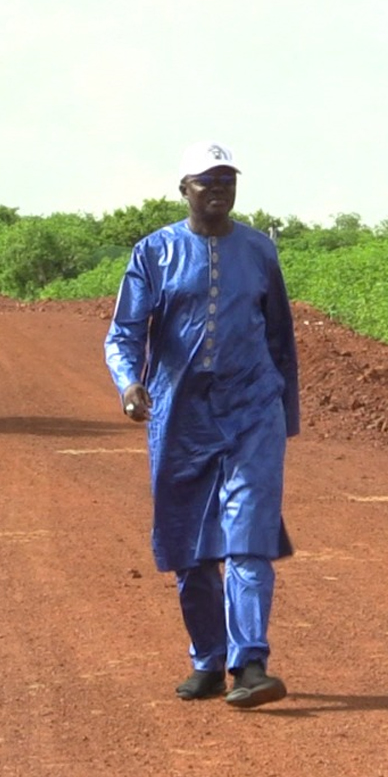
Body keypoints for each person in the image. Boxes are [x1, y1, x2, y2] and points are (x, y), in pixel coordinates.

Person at [103, 141, 300, 709]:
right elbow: (124, 333)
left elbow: (280, 338)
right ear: (183, 189)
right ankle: (208, 661)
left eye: (226, 180)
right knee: (190, 543)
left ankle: (251, 663)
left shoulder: (261, 252)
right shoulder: (154, 253)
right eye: (206, 181)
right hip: (180, 415)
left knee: (247, 536)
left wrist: (283, 415)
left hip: (251, 411)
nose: (218, 190)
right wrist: (128, 382)